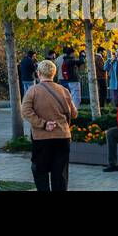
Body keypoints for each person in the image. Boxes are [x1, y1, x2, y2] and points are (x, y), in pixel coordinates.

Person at [20, 59, 76, 191]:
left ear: (38, 73)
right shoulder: (64, 91)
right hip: (63, 137)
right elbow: (74, 113)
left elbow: (25, 111)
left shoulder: (33, 91)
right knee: (60, 175)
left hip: (42, 138)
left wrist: (43, 124)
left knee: (40, 172)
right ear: (54, 74)